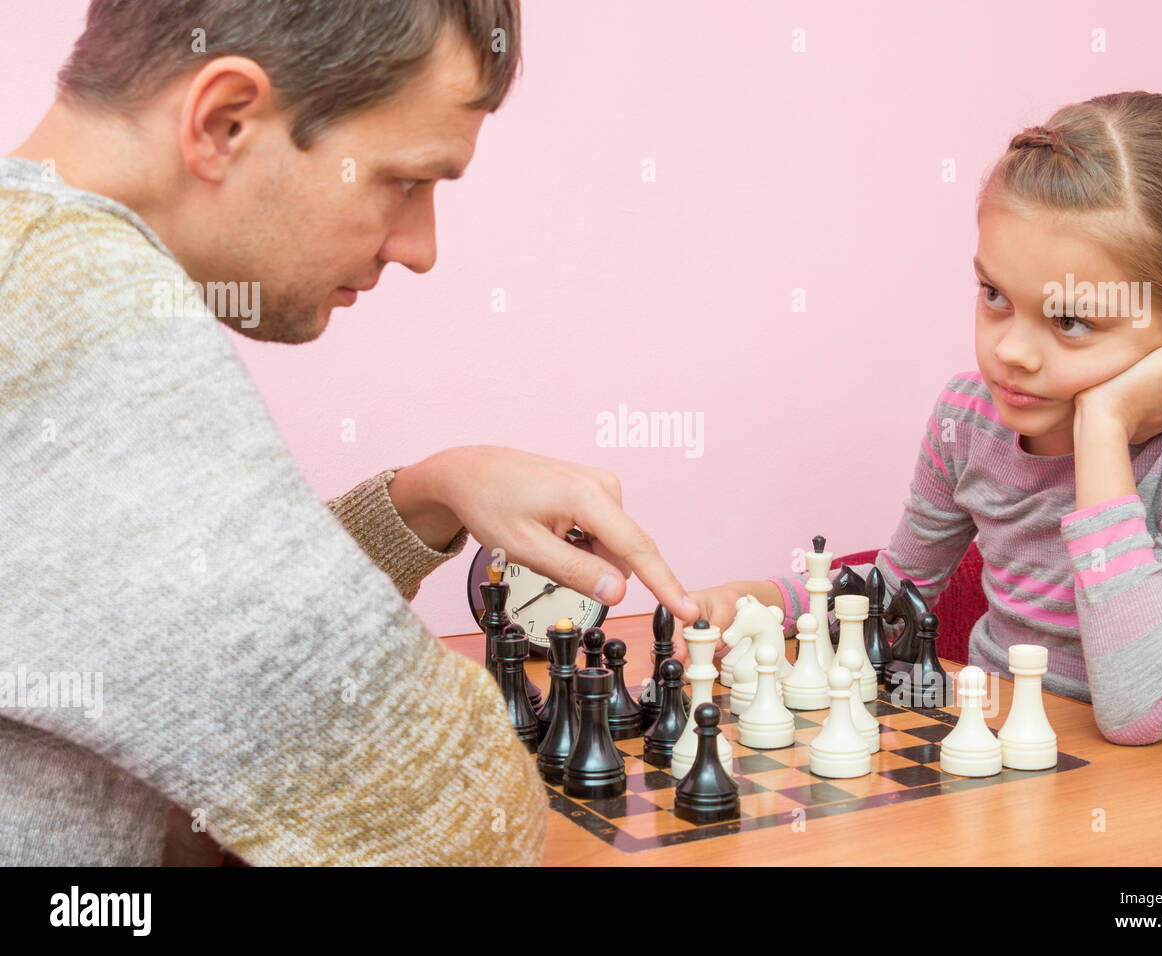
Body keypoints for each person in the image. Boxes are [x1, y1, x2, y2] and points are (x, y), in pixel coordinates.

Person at [0, 0, 696, 865]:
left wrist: (423, 497)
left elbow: (174, 645)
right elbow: (448, 826)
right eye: (406, 181)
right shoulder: (76, 305)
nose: (421, 247)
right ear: (224, 121)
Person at [689, 92, 1162, 748]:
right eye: (995, 296)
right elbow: (900, 591)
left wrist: (1102, 434)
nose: (1010, 351)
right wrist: (773, 600)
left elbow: (1143, 706)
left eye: (1071, 320)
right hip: (999, 758)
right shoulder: (969, 419)